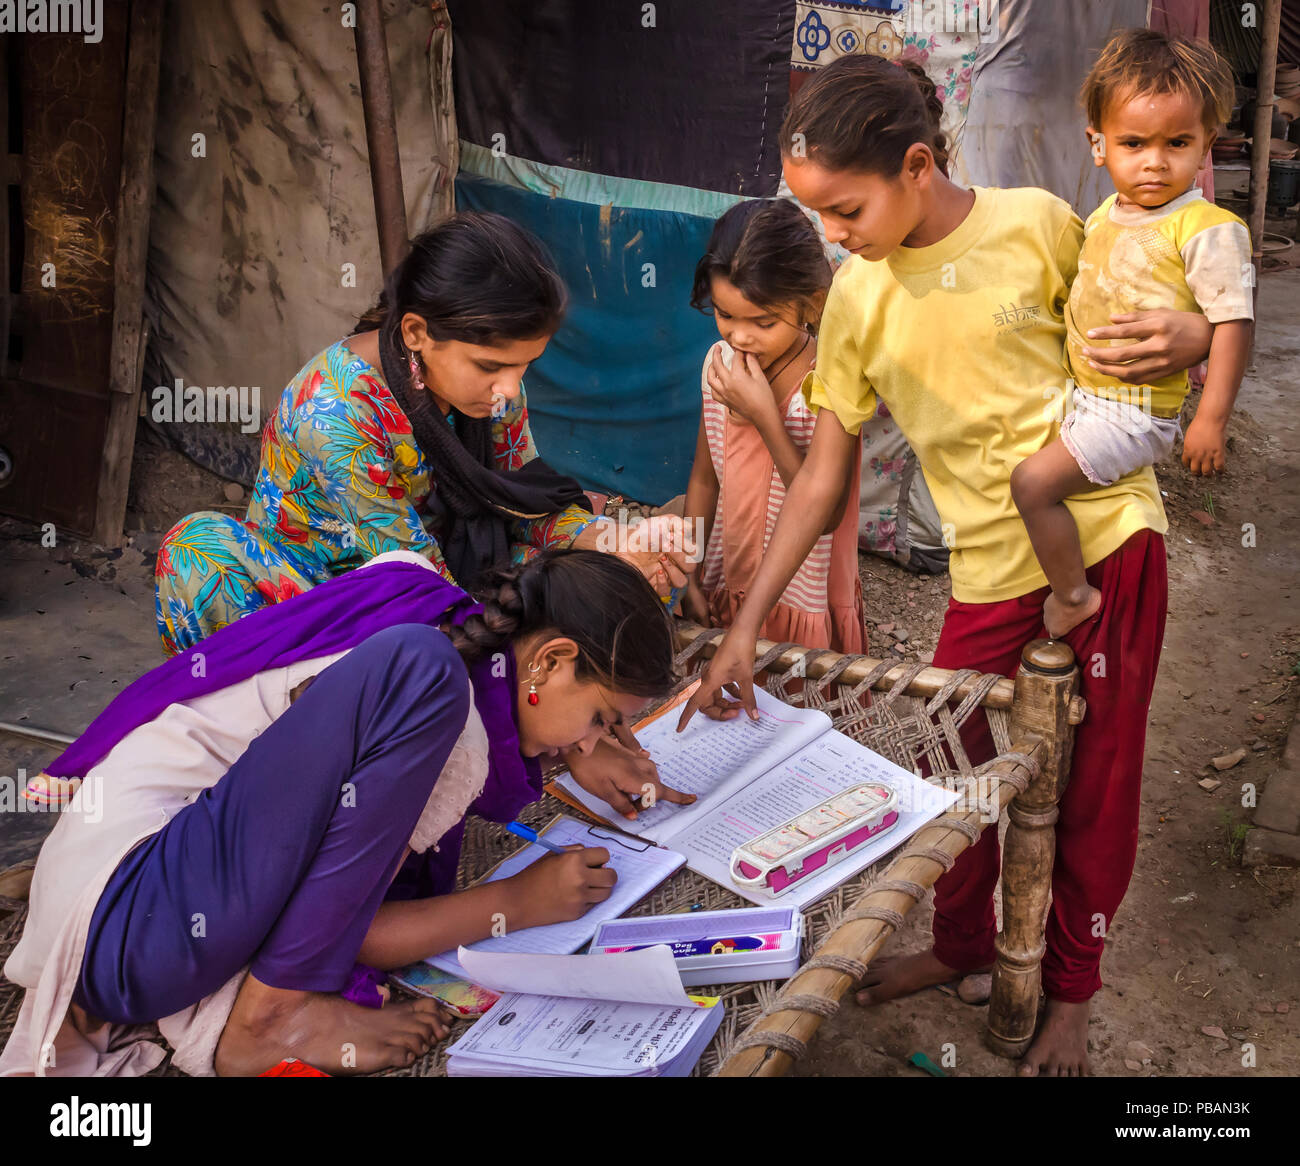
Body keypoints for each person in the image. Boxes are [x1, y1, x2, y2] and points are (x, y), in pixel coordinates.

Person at [676, 54, 1214, 1076]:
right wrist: (744, 626)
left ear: (916, 164)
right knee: (952, 770)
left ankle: (1069, 991)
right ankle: (965, 944)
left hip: (1103, 543)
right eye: (815, 215)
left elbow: (1156, 333)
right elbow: (822, 479)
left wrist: (1190, 331)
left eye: (843, 209)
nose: (830, 236)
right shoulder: (856, 301)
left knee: (1093, 779)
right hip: (985, 568)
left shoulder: (1041, 227)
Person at [2, 549, 692, 1077]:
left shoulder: (438, 611)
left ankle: (278, 1005)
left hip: (138, 911)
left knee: (423, 670)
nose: (596, 742)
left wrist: (569, 746)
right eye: (603, 720)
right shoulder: (435, 688)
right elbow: (354, 927)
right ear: (550, 661)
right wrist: (516, 900)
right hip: (133, 923)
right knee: (418, 671)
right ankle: (276, 1013)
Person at [155, 211, 689, 655]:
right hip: (337, 593)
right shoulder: (335, 415)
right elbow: (419, 587)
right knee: (198, 549)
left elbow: (518, 501)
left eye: (525, 366)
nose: (508, 388)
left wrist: (606, 542)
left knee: (616, 572)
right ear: (416, 333)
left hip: (449, 567)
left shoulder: (490, 391)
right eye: (490, 366)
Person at [1011, 29, 1253, 637]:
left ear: (1206, 147)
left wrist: (1212, 419)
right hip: (1085, 396)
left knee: (1032, 484)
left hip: (1132, 410)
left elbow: (1233, 323)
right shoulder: (1101, 216)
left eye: (1177, 142)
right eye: (1133, 142)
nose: (1155, 161)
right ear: (1099, 145)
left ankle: (1073, 596)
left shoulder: (1205, 227)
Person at [682, 199, 866, 653]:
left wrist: (767, 416)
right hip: (728, 576)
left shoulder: (829, 376)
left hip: (800, 597)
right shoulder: (718, 367)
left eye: (763, 322)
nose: (739, 337)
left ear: (810, 304)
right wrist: (689, 570)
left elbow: (828, 517)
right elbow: (705, 480)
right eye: (725, 315)